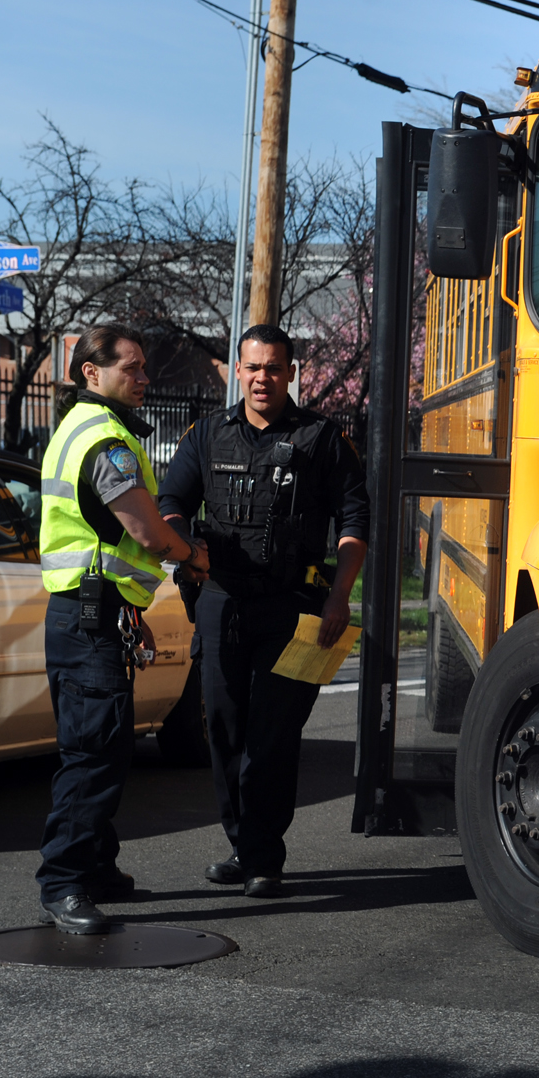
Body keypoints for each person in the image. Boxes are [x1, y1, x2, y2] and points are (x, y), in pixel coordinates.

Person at [158, 324, 367, 899]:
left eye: (274, 367)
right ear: (237, 371)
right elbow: (171, 501)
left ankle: (263, 858)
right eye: (252, 367)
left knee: (273, 735)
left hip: (296, 608)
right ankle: (241, 844)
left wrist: (339, 595)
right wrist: (182, 542)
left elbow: (355, 522)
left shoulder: (323, 439)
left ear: (291, 372)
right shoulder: (206, 435)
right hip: (220, 602)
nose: (262, 378)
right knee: (223, 729)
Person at [35, 325, 209, 933]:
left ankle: (97, 867)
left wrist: (131, 609)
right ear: (92, 372)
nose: (144, 378)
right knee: (94, 756)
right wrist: (191, 555)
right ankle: (63, 883)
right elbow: (144, 531)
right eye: (131, 368)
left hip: (88, 615)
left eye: (143, 368)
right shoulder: (105, 439)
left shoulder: (74, 429)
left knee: (101, 747)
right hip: (89, 620)